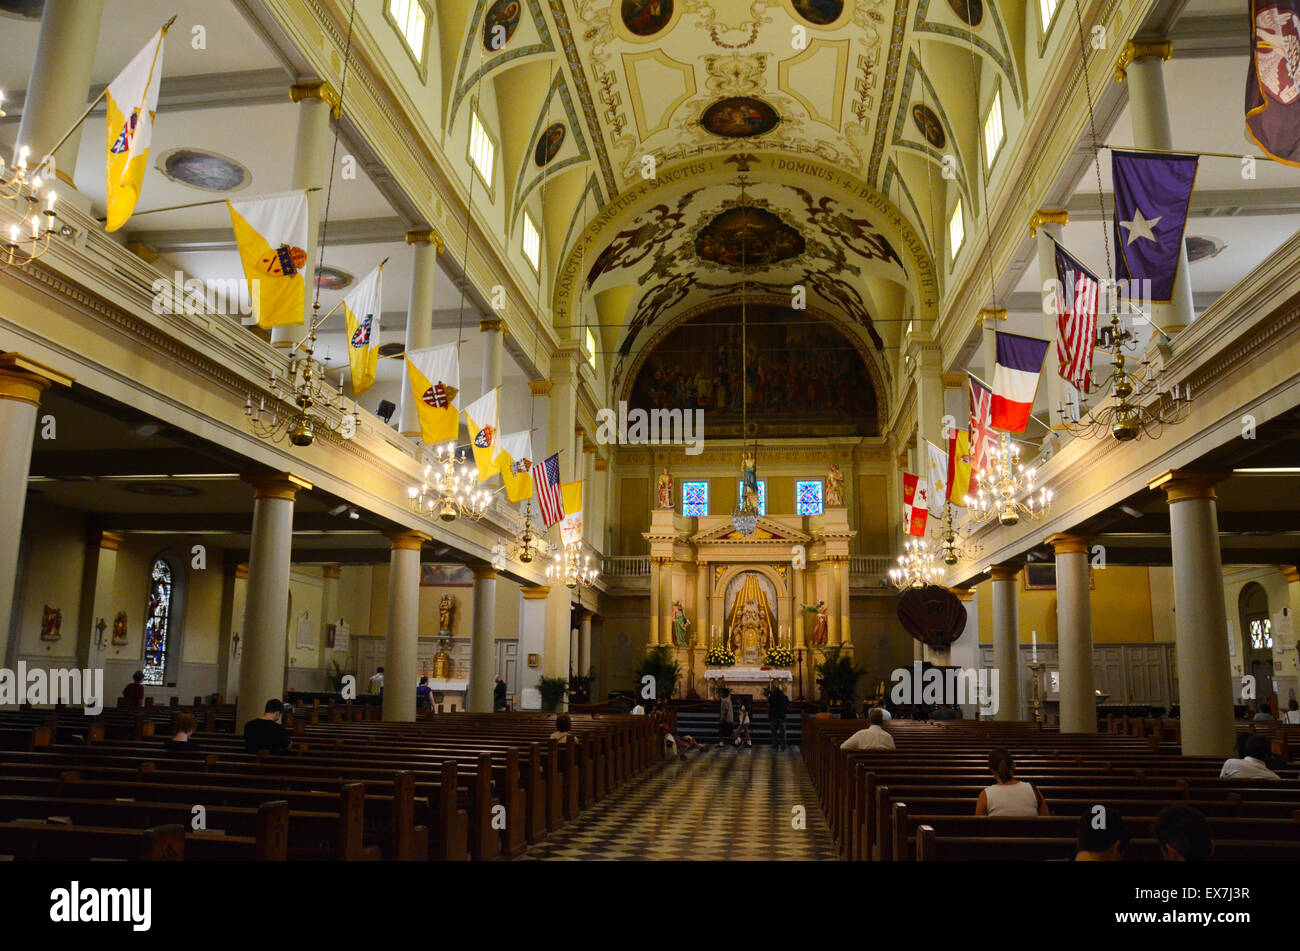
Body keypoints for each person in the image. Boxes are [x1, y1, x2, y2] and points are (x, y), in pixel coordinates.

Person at [976, 749, 1048, 817]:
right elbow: (1046, 823)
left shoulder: (985, 795)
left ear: (991, 770)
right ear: (1014, 766)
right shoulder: (1034, 791)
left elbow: (979, 827)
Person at [768, 684, 790, 750]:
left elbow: (769, 706)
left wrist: (769, 715)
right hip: (782, 717)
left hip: (773, 716)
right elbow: (787, 706)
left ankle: (775, 747)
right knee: (783, 734)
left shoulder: (771, 697)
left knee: (774, 734)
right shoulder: (785, 697)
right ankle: (783, 747)